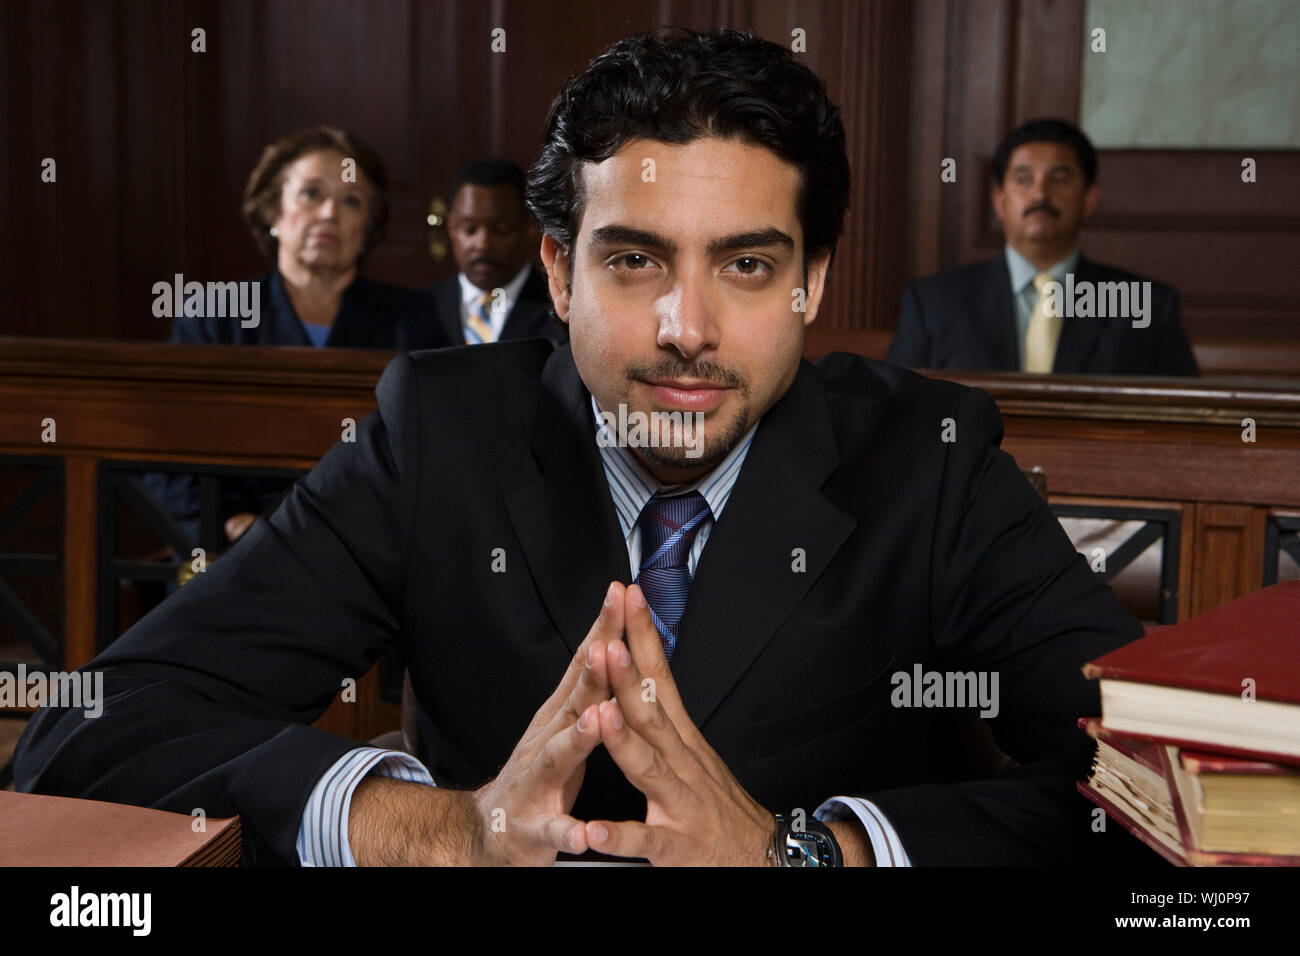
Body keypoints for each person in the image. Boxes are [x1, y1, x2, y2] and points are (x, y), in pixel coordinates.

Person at [17, 28, 1146, 867]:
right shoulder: (440, 436)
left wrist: (804, 851)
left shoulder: (929, 459)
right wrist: (442, 827)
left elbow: (1149, 782)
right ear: (556, 273)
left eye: (746, 265)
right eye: (634, 260)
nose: (685, 326)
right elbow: (90, 727)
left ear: (811, 282)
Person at [145, 126, 450, 548]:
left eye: (351, 202)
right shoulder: (212, 314)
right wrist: (227, 524)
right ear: (272, 211)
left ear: (366, 227)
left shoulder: (411, 319)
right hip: (232, 551)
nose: (329, 213)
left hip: (366, 549)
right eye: (312, 194)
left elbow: (432, 451)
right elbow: (162, 446)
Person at [887, 118, 1199, 376]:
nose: (1040, 194)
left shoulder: (1146, 305)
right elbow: (898, 413)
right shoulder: (934, 303)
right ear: (999, 200)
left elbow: (1184, 420)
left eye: (1059, 179)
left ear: (1089, 198)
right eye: (1023, 180)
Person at [427, 158, 561, 345]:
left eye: (501, 230)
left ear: (530, 229)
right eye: (470, 230)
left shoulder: (559, 310)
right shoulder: (423, 308)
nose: (483, 244)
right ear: (451, 228)